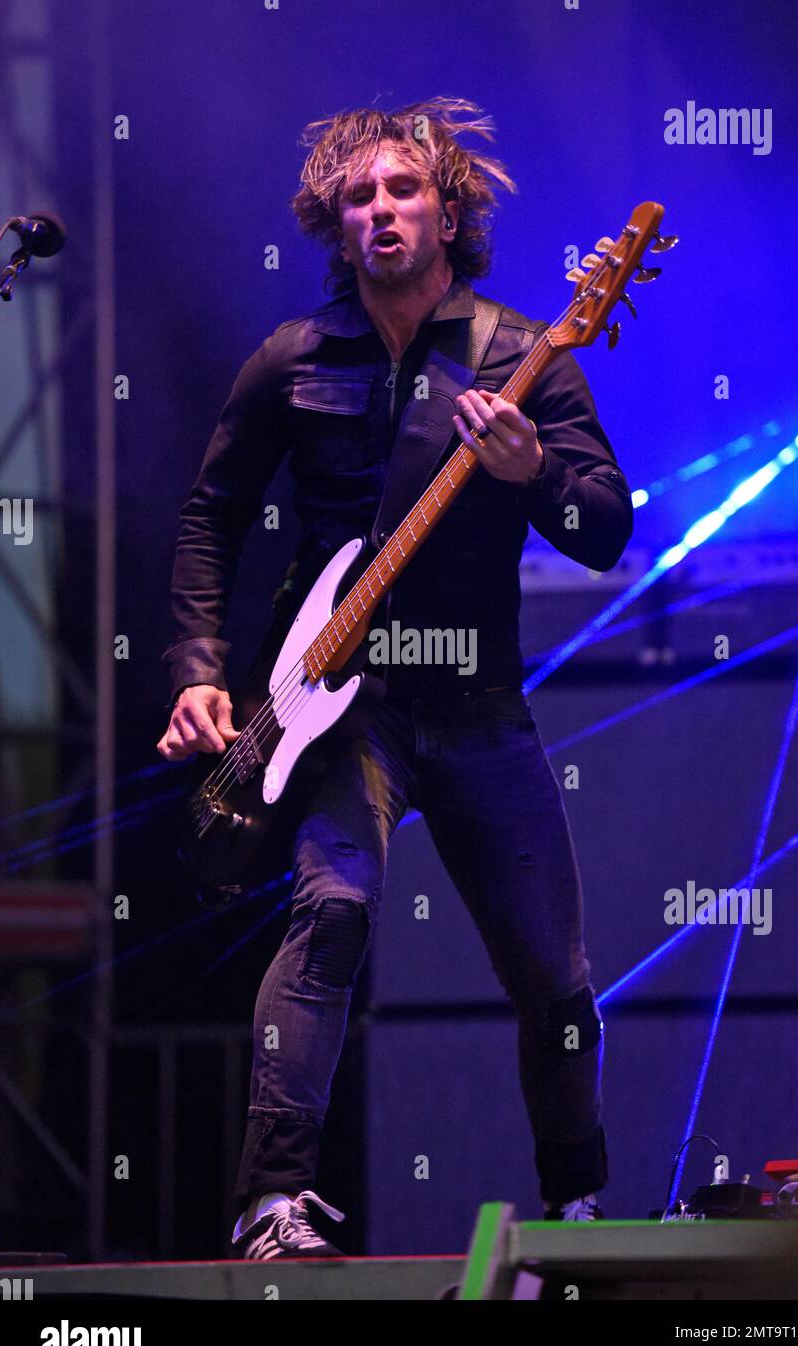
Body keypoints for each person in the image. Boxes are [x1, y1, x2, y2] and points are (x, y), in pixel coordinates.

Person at [157, 97, 632, 1259]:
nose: (379, 211)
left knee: (554, 983)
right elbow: (210, 518)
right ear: (335, 220)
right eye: (358, 197)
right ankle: (272, 1202)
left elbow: (606, 526)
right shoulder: (290, 359)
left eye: (402, 190)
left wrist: (527, 474)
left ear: (448, 208)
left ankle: (575, 1210)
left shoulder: (525, 355)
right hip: (340, 707)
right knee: (329, 917)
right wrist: (199, 668)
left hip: (476, 702)